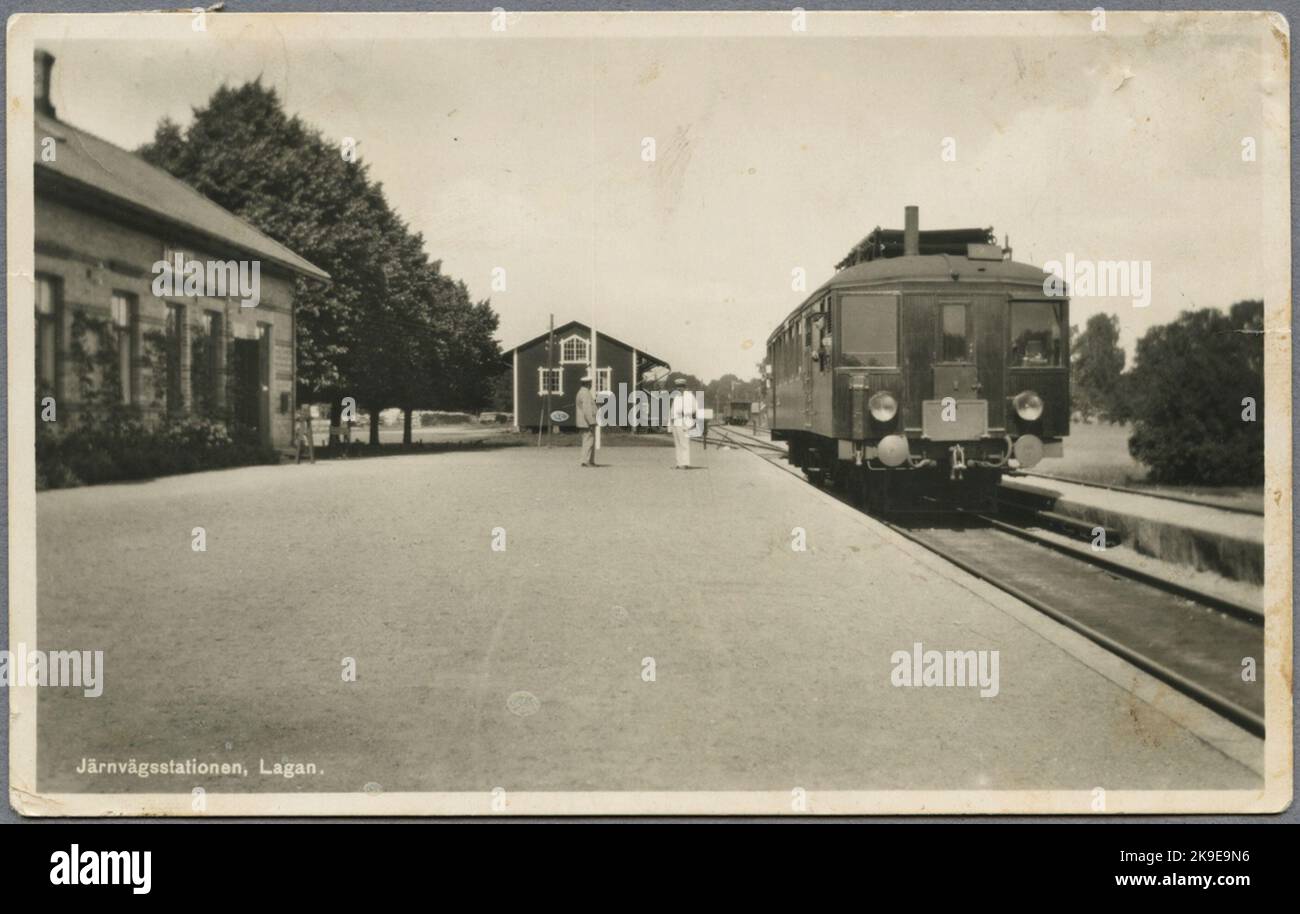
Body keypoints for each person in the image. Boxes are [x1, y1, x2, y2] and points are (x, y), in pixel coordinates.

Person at [670, 378, 697, 468]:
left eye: (681, 387)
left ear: (685, 387)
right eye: (678, 387)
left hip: (685, 421)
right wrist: (671, 421)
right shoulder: (677, 397)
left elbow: (694, 408)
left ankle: (685, 463)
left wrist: (684, 412)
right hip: (676, 422)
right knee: (677, 443)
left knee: (684, 443)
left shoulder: (690, 396)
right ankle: (679, 463)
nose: (679, 389)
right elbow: (672, 409)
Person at [575, 370, 598, 467]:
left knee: (586, 440)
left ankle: (586, 460)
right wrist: (592, 422)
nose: (592, 384)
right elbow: (587, 409)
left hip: (582, 422)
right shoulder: (586, 393)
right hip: (587, 422)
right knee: (589, 441)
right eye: (591, 383)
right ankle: (587, 461)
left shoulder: (581, 392)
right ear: (588, 383)